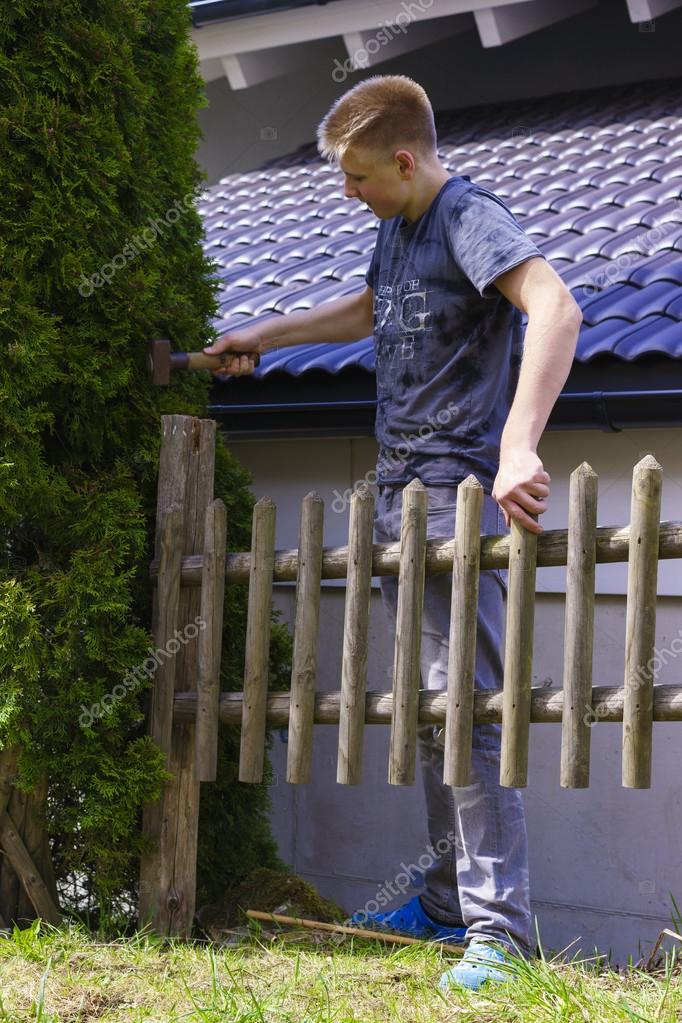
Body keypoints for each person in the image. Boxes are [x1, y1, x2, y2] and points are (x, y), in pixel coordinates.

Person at [203, 75, 582, 991]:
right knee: (428, 711)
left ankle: (502, 931)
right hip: (397, 504)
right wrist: (269, 330)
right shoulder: (399, 231)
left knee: (468, 713)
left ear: (405, 161)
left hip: (456, 497)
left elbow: (555, 306)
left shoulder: (465, 214)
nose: (349, 193)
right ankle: (450, 907)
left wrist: (520, 445)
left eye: (359, 177)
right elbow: (368, 312)